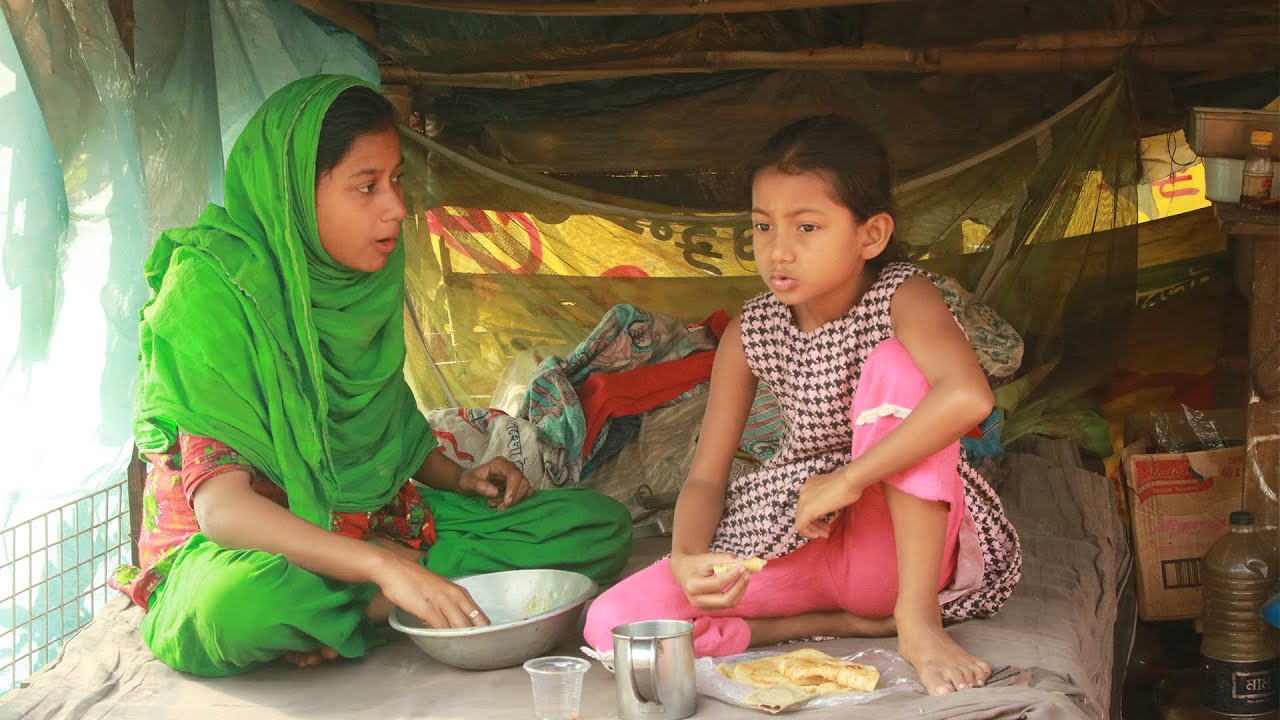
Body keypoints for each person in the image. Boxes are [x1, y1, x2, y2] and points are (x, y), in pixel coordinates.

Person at [109, 74, 631, 678]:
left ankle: (361, 608)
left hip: (371, 522)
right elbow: (224, 512)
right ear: (295, 194)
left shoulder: (357, 283)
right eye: (367, 186)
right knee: (233, 608)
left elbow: (384, 420)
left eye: (397, 180)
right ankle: (396, 593)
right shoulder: (210, 292)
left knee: (594, 526)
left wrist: (460, 478)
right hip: (246, 550)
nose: (396, 208)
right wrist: (381, 565)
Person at [583, 115, 1021, 696]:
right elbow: (707, 477)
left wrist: (848, 480)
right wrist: (687, 558)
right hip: (799, 529)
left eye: (807, 226)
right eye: (763, 226)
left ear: (871, 235)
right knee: (614, 624)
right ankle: (838, 624)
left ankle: (917, 623)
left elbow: (967, 396)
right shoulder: (752, 330)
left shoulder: (903, 295)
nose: (779, 250)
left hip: (890, 547)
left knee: (897, 364)